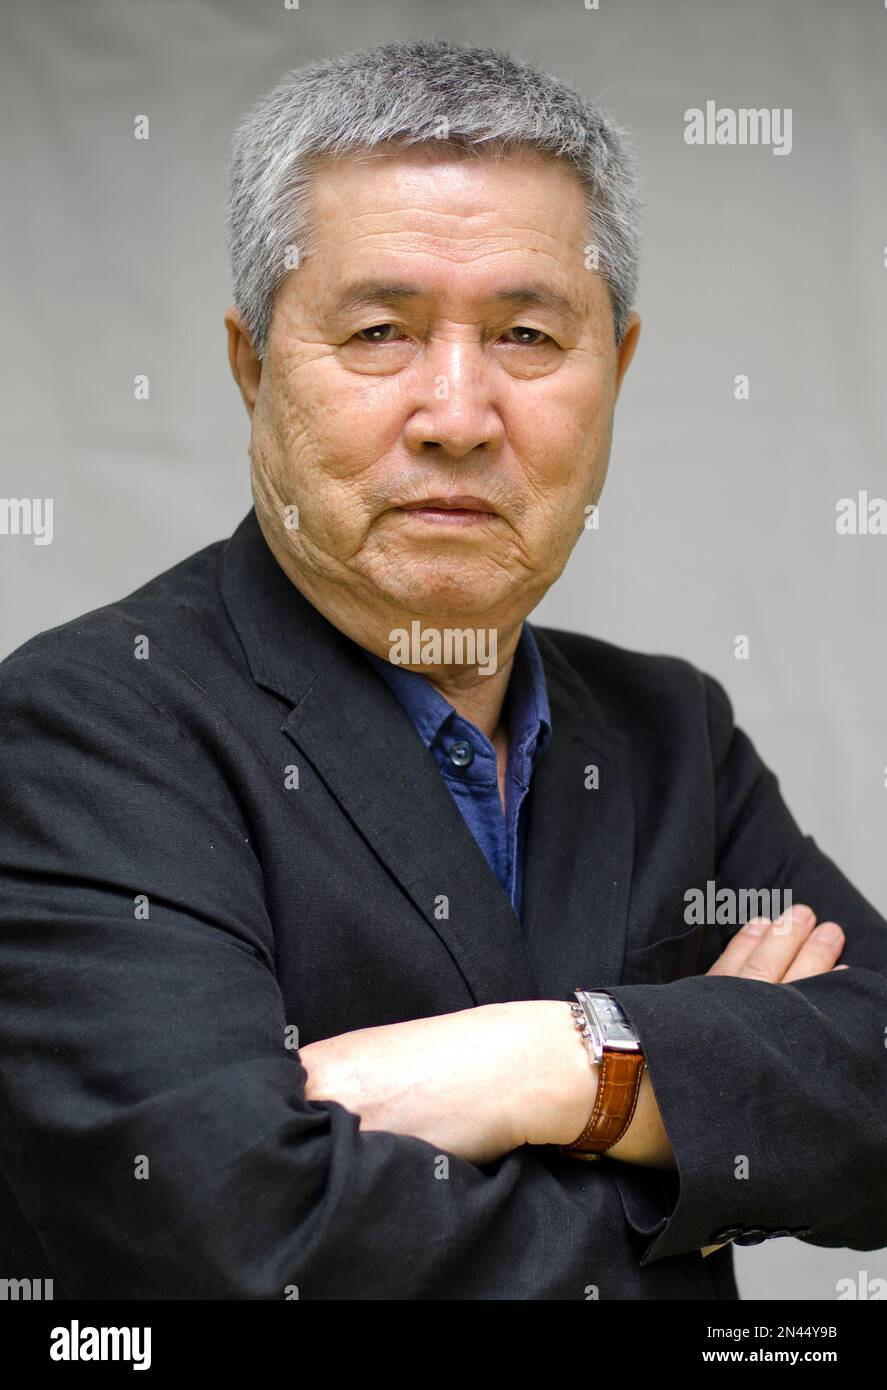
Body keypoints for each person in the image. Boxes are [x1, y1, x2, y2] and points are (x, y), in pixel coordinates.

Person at [1, 38, 885, 1301]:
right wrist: (695, 1126)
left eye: (527, 333)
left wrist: (554, 1063)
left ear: (615, 370)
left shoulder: (668, 731)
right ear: (252, 365)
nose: (458, 414)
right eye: (379, 331)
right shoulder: (85, 727)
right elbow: (233, 1243)